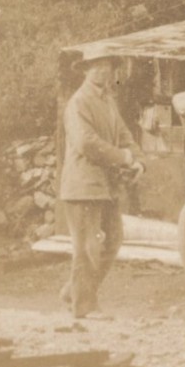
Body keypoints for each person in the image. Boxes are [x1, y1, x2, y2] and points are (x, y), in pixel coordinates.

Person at [58, 49, 142, 321]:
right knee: (87, 249)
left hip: (106, 187)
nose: (103, 71)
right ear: (85, 70)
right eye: (96, 66)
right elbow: (86, 143)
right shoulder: (78, 103)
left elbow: (125, 136)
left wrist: (138, 160)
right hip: (83, 186)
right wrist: (123, 157)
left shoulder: (108, 101)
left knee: (113, 241)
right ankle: (84, 306)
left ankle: (73, 292)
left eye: (107, 66)